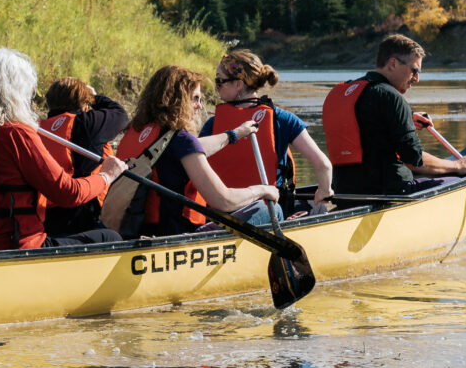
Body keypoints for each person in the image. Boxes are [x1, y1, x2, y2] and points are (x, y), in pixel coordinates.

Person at [0, 47, 128, 254]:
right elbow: (69, 193)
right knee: (110, 237)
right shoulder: (14, 133)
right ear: (17, 91)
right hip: (14, 247)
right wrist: (107, 175)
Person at [114, 65, 278, 238]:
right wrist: (262, 190)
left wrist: (234, 134)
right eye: (195, 98)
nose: (199, 106)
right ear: (178, 100)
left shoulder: (134, 133)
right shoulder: (181, 139)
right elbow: (223, 200)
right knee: (268, 209)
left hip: (135, 233)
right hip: (176, 237)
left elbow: (192, 147)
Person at [324, 34, 466, 197]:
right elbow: (414, 160)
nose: (417, 79)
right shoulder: (391, 97)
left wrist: (407, 119)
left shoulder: (341, 92)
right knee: (459, 177)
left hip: (343, 191)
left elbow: (365, 127)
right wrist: (457, 166)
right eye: (414, 70)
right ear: (393, 64)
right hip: (390, 192)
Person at [199, 48, 335, 215]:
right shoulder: (283, 119)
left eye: (219, 81)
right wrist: (324, 191)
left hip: (220, 214)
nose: (216, 88)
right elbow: (324, 166)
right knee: (319, 207)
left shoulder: (212, 125)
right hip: (268, 211)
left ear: (238, 84)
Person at [40, 76, 129, 236]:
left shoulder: (38, 129)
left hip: (45, 217)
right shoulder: (85, 123)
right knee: (112, 236)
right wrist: (94, 97)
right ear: (85, 104)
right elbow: (120, 114)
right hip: (82, 216)